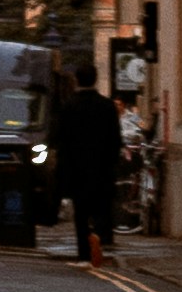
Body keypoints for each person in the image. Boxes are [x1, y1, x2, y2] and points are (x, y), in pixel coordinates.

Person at [50, 60, 130, 263]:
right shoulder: (107, 107)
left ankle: (84, 254)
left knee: (81, 213)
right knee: (101, 208)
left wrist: (64, 169)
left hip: (77, 170)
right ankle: (100, 243)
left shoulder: (69, 106)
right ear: (95, 79)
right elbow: (115, 140)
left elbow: (60, 140)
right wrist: (111, 163)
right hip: (102, 169)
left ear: (77, 79)